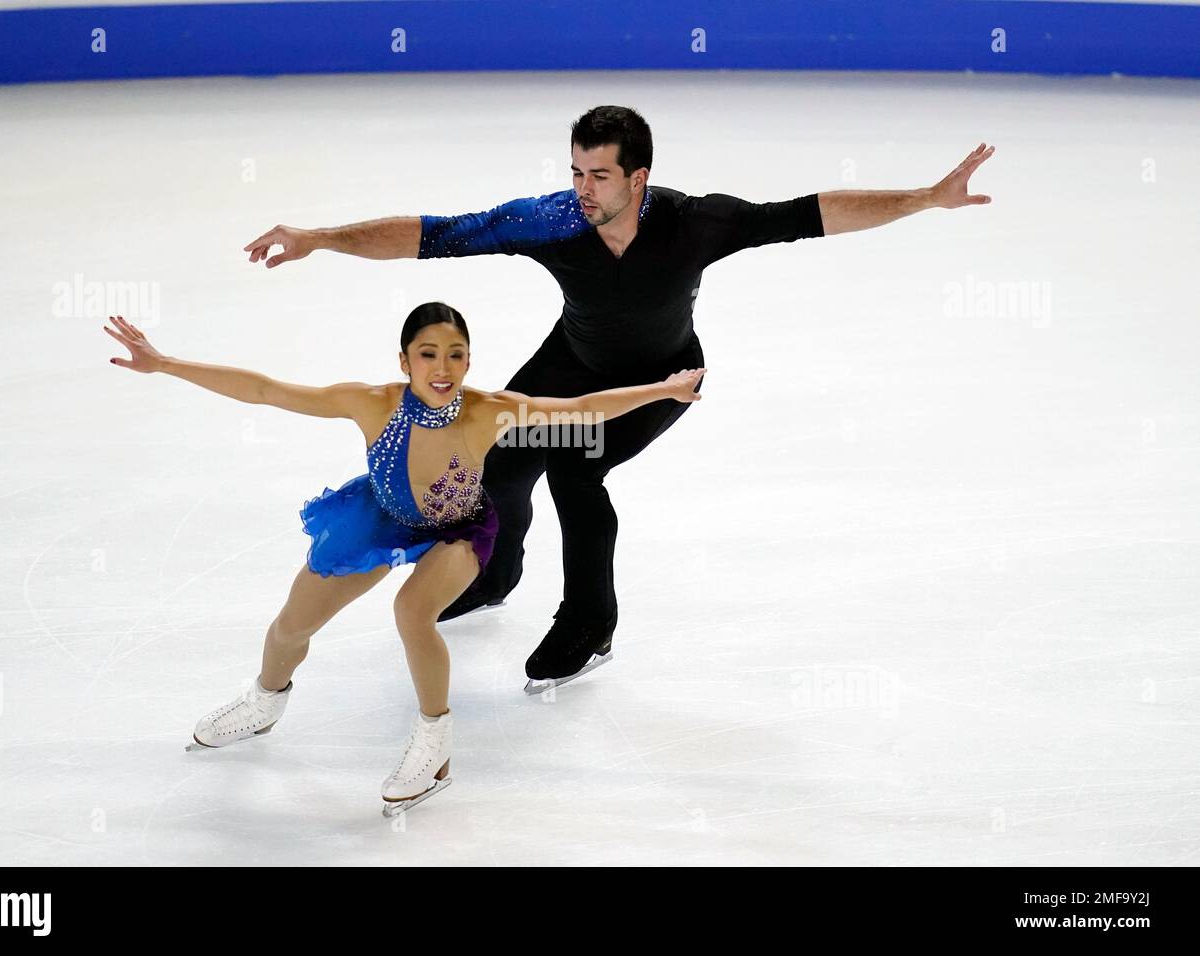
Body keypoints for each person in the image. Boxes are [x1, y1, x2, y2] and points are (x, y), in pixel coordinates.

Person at [242, 105, 994, 691]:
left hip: (662, 379)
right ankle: (496, 572)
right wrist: (322, 237)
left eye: (598, 176)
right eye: (576, 172)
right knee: (499, 459)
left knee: (573, 469)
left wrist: (926, 197)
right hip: (573, 358)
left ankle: (590, 622)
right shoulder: (555, 221)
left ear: (638, 178)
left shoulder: (696, 222)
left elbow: (807, 215)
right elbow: (436, 234)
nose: (582, 190)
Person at [103, 303, 705, 815]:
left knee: (412, 612)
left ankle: (434, 745)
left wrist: (665, 390)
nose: (442, 368)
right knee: (293, 623)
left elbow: (579, 411)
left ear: (468, 361)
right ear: (404, 361)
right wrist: (165, 364)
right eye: (427, 353)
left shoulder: (488, 410)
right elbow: (266, 390)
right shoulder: (370, 403)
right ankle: (265, 700)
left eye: (455, 354)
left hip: (460, 529)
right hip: (380, 516)